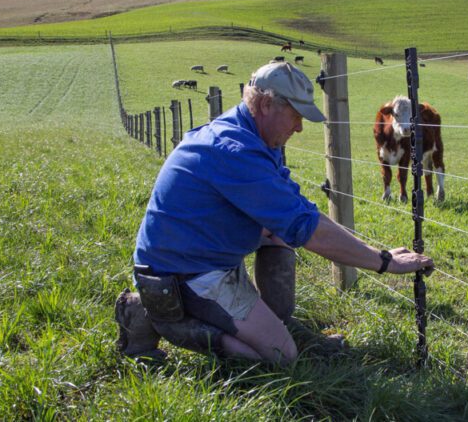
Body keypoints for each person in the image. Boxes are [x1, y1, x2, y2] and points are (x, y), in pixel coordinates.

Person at [115, 61, 434, 365]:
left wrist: (373, 254)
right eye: (296, 116)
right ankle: (157, 317)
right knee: (280, 356)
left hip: (206, 252)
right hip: (183, 273)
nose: (299, 128)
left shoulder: (253, 137)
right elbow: (306, 229)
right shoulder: (235, 151)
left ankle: (279, 324)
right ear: (267, 105)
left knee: (279, 234)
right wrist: (383, 262)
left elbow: (296, 215)